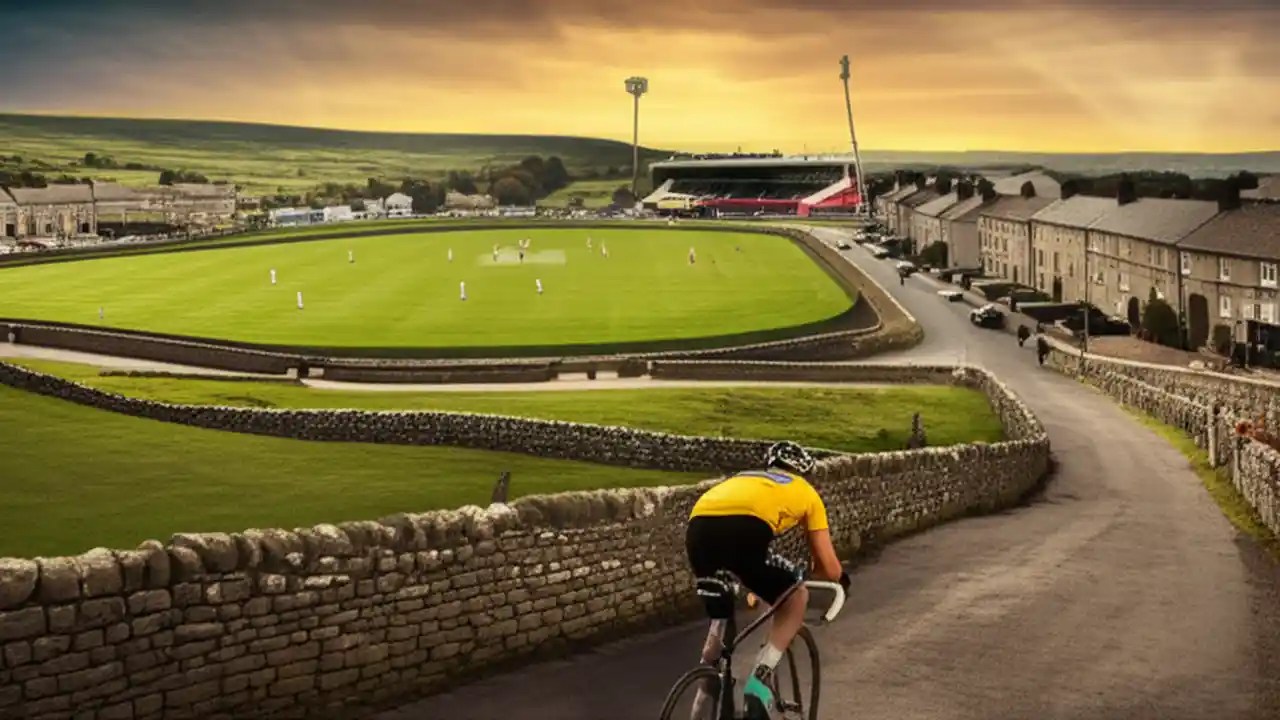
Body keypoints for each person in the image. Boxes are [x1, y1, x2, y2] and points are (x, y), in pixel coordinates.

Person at [686, 441, 849, 719]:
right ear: (803, 472)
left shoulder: (745, 478)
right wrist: (830, 578)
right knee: (796, 596)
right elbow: (831, 568)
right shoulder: (805, 491)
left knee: (721, 610)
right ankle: (759, 683)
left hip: (699, 527)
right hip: (745, 531)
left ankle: (707, 682)